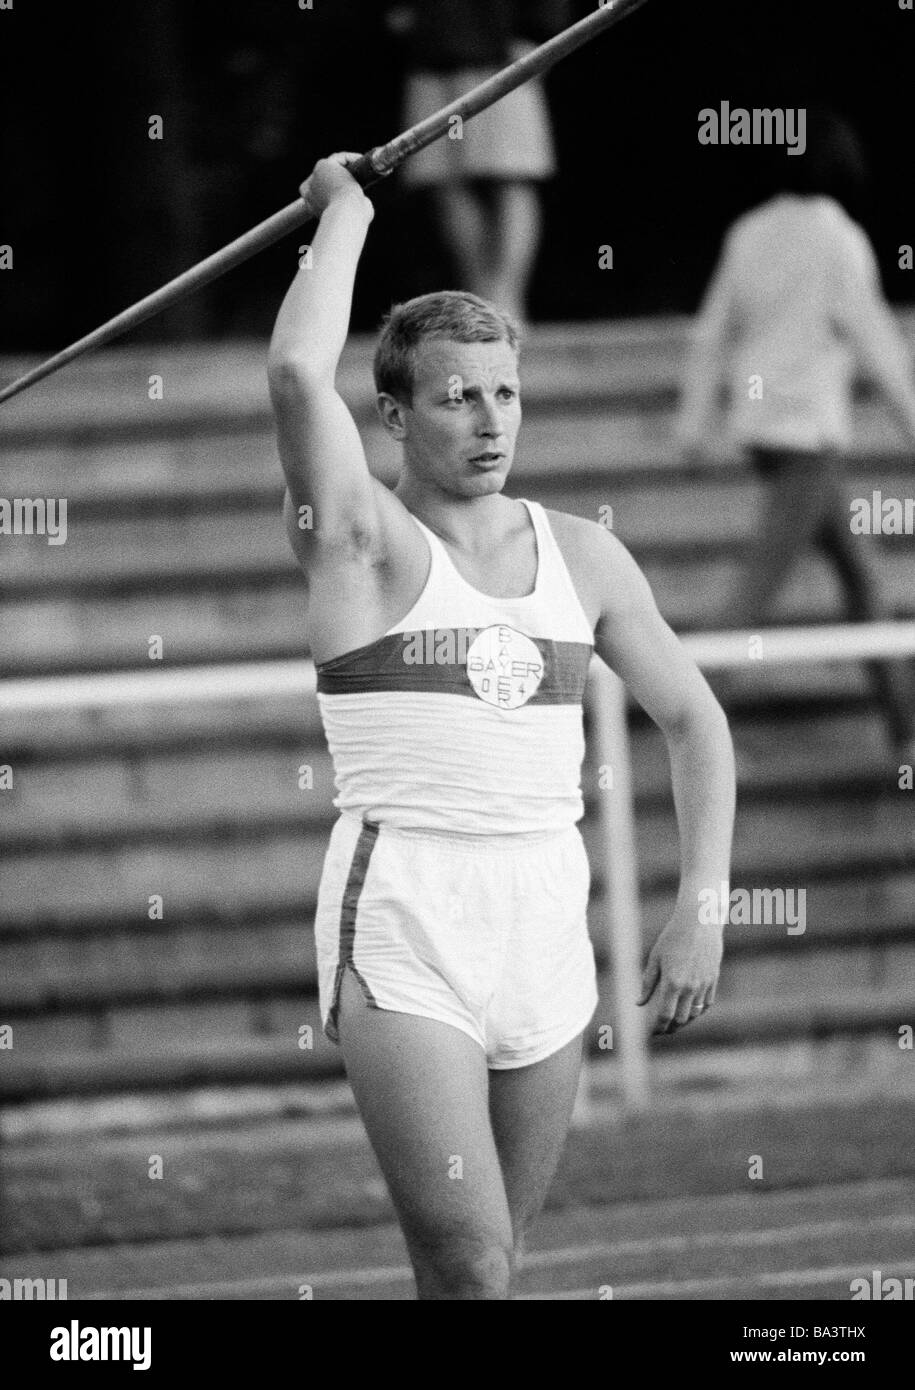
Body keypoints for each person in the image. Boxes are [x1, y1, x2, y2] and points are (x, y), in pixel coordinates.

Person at [268, 153, 735, 1301]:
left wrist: (705, 903)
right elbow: (294, 369)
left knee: (486, 1272)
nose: (491, 423)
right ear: (393, 414)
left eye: (507, 394)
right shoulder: (364, 546)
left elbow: (695, 719)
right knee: (474, 1262)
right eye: (457, 397)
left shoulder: (585, 554)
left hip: (545, 914)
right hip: (408, 913)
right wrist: (346, 210)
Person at [675, 110, 915, 765]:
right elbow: (876, 344)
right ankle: (677, 709)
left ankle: (904, 732)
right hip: (808, 435)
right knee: (756, 589)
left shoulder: (749, 231)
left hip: (762, 432)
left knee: (861, 577)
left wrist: (694, 422)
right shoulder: (839, 239)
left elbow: (713, 333)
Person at [385, 1, 570, 322]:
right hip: (432, 59)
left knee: (512, 178)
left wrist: (537, 33)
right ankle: (482, 298)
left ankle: (507, 300)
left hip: (504, 59)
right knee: (444, 182)